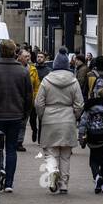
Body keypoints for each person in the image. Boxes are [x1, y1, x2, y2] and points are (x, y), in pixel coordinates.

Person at [0, 40, 32, 193]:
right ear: (14, 52)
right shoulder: (22, 71)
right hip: (16, 115)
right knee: (11, 149)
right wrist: (25, 113)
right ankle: (9, 182)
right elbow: (28, 96)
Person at [35, 49, 84, 194]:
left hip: (50, 119)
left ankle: (52, 172)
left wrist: (42, 115)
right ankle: (64, 185)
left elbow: (39, 103)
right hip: (67, 119)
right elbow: (79, 104)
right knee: (65, 155)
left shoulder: (46, 81)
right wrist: (74, 116)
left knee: (50, 152)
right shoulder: (73, 81)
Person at [21, 48, 41, 147]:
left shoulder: (33, 69)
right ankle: (19, 141)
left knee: (31, 120)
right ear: (20, 57)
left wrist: (35, 98)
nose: (28, 58)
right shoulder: (17, 68)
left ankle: (34, 130)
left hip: (30, 99)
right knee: (21, 122)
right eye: (26, 56)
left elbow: (37, 86)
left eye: (28, 56)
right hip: (19, 99)